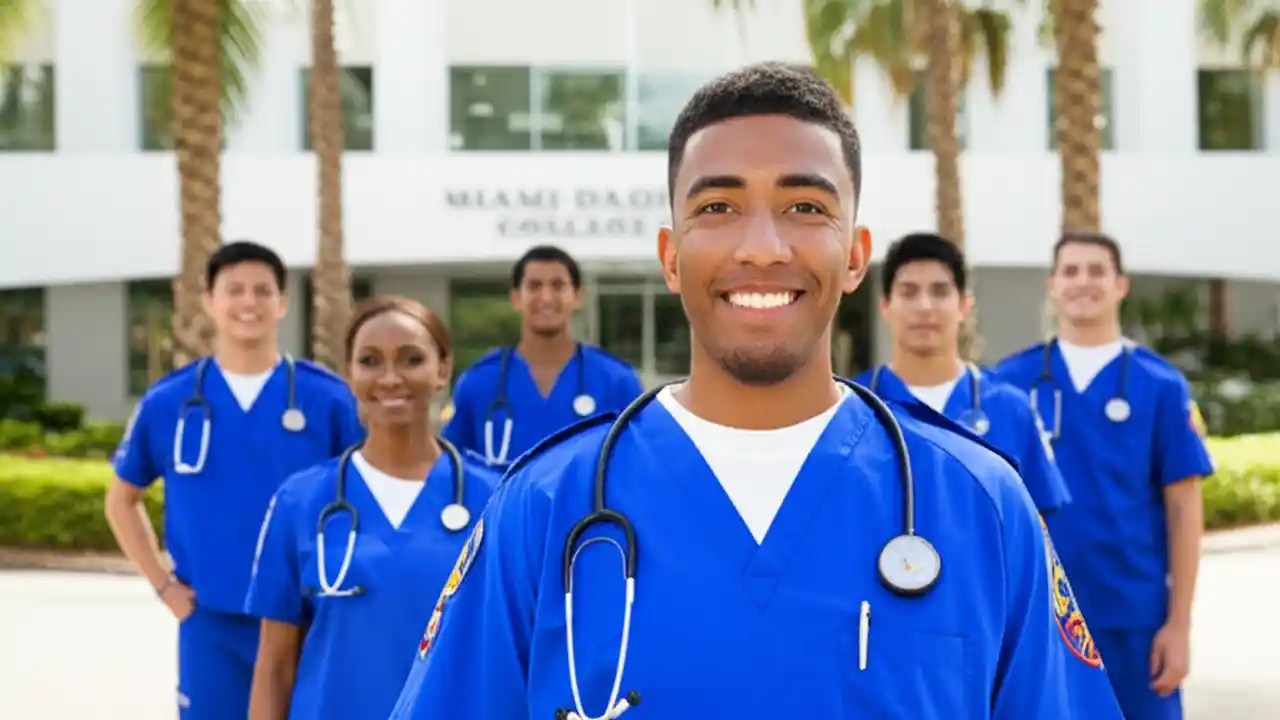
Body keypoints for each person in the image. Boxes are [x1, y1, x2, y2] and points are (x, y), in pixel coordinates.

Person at [389, 62, 1123, 719]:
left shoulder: (980, 505)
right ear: (671, 258)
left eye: (806, 207)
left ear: (855, 256)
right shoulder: (544, 506)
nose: (763, 246)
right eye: (718, 208)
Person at [104, 241, 365, 720]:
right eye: (235, 290)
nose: (250, 303)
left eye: (263, 291)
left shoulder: (326, 399)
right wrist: (164, 587)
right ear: (209, 301)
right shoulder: (170, 402)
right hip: (210, 624)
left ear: (283, 303)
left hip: (309, 623)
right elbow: (121, 501)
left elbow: (366, 497)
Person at [243, 295, 501, 719]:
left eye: (411, 359)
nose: (390, 377)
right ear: (349, 374)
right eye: (369, 360)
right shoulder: (300, 502)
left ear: (443, 370)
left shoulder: (494, 499)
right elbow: (275, 666)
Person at [992, 231, 1213, 720]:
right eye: (1070, 271)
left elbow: (1184, 508)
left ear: (1121, 285)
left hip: (1133, 620)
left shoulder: (1161, 386)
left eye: (1096, 271)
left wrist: (1179, 626)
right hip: (1037, 620)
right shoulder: (1009, 384)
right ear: (1052, 285)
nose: (1083, 282)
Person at [852, 232, 1071, 516]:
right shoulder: (854, 407)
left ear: (964, 306)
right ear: (885, 307)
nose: (925, 306)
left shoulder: (1011, 410)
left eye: (940, 292)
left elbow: (1039, 525)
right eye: (908, 292)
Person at [441, 245, 645, 467]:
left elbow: (638, 466)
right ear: (516, 297)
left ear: (577, 296)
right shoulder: (478, 382)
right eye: (534, 286)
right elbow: (451, 469)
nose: (546, 297)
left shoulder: (617, 381)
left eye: (558, 286)